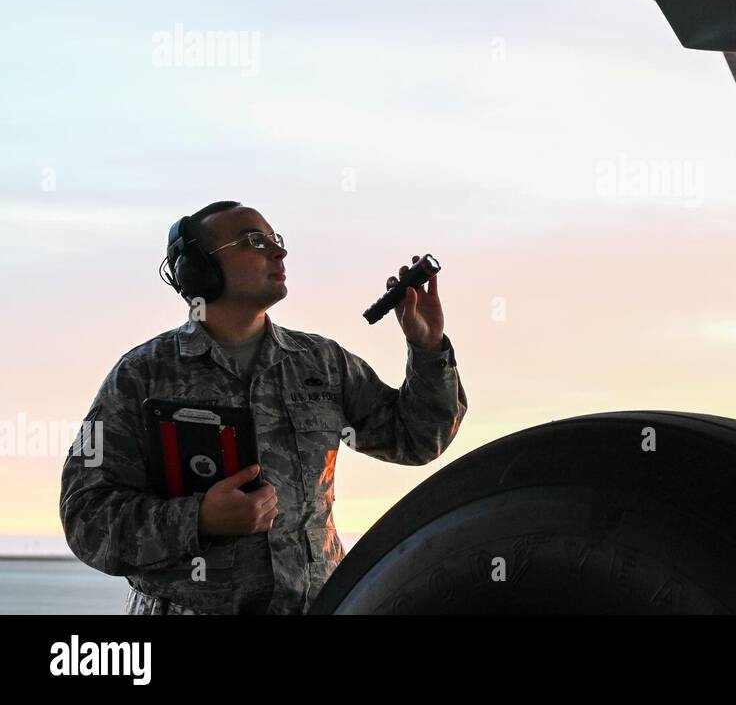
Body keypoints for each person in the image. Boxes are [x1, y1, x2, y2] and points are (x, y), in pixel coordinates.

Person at [58, 201, 468, 614]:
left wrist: (427, 346)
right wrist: (198, 518)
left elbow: (418, 439)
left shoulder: (322, 362)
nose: (279, 252)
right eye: (254, 241)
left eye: (277, 240)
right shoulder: (141, 375)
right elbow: (86, 519)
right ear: (200, 268)